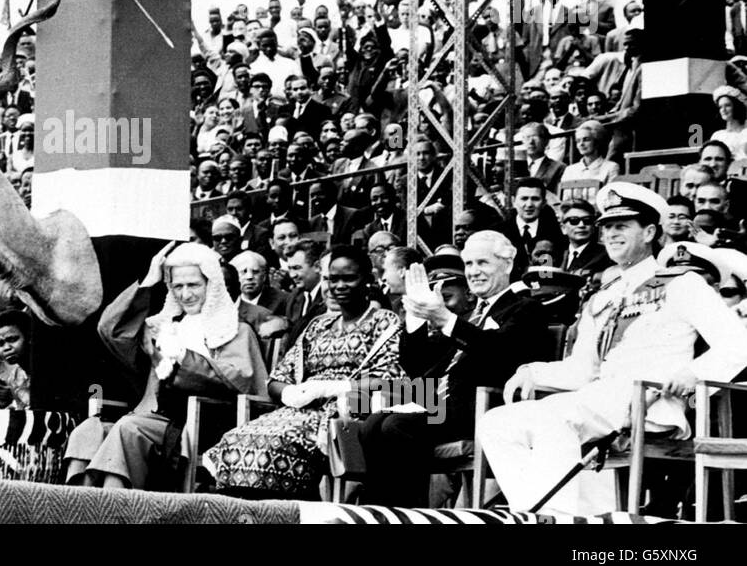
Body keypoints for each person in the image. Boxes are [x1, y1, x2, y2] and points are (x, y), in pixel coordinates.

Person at [477, 183, 747, 516]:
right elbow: (582, 370)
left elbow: (739, 342)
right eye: (607, 227)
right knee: (497, 422)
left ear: (649, 231)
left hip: (651, 400)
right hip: (601, 397)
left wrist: (694, 373)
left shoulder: (682, 284)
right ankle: (555, 516)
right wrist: (533, 370)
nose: (612, 234)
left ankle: (553, 520)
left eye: (622, 226)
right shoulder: (602, 297)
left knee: (551, 418)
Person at [360, 235, 549, 507]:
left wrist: (444, 319)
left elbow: (497, 353)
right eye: (468, 263)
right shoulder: (473, 315)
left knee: (397, 426)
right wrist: (415, 314)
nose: (473, 271)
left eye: (482, 262)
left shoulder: (525, 309)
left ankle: (409, 516)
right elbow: (418, 367)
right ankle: (380, 514)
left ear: (508, 264)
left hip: (484, 408)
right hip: (445, 406)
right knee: (371, 425)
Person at [64, 242, 267, 490]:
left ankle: (114, 513)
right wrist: (148, 282)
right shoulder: (165, 326)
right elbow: (111, 330)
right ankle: (79, 511)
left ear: (211, 285)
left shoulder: (235, 329)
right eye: (177, 286)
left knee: (129, 429)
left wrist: (183, 357)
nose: (185, 294)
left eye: (193, 285)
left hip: (203, 421)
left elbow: (238, 379)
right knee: (89, 431)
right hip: (153, 416)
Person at [205, 245, 403, 497]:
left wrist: (332, 388)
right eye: (332, 279)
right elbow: (276, 379)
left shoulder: (384, 322)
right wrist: (290, 392)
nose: (339, 286)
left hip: (343, 410)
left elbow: (390, 379)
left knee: (274, 445)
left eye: (349, 278)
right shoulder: (318, 326)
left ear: (368, 280)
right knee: (237, 439)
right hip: (299, 408)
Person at [561, 121, 619, 186]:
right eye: (578, 141)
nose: (581, 144)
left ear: (597, 141)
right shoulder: (570, 170)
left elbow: (610, 194)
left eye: (586, 139)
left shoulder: (610, 167)